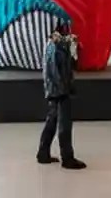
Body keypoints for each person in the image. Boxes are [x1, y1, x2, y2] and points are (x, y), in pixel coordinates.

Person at [37, 25, 86, 170]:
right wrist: (66, 89)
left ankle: (43, 152)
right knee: (64, 125)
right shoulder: (57, 47)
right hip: (60, 91)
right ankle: (67, 158)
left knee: (51, 121)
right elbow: (61, 70)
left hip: (54, 90)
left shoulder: (52, 44)